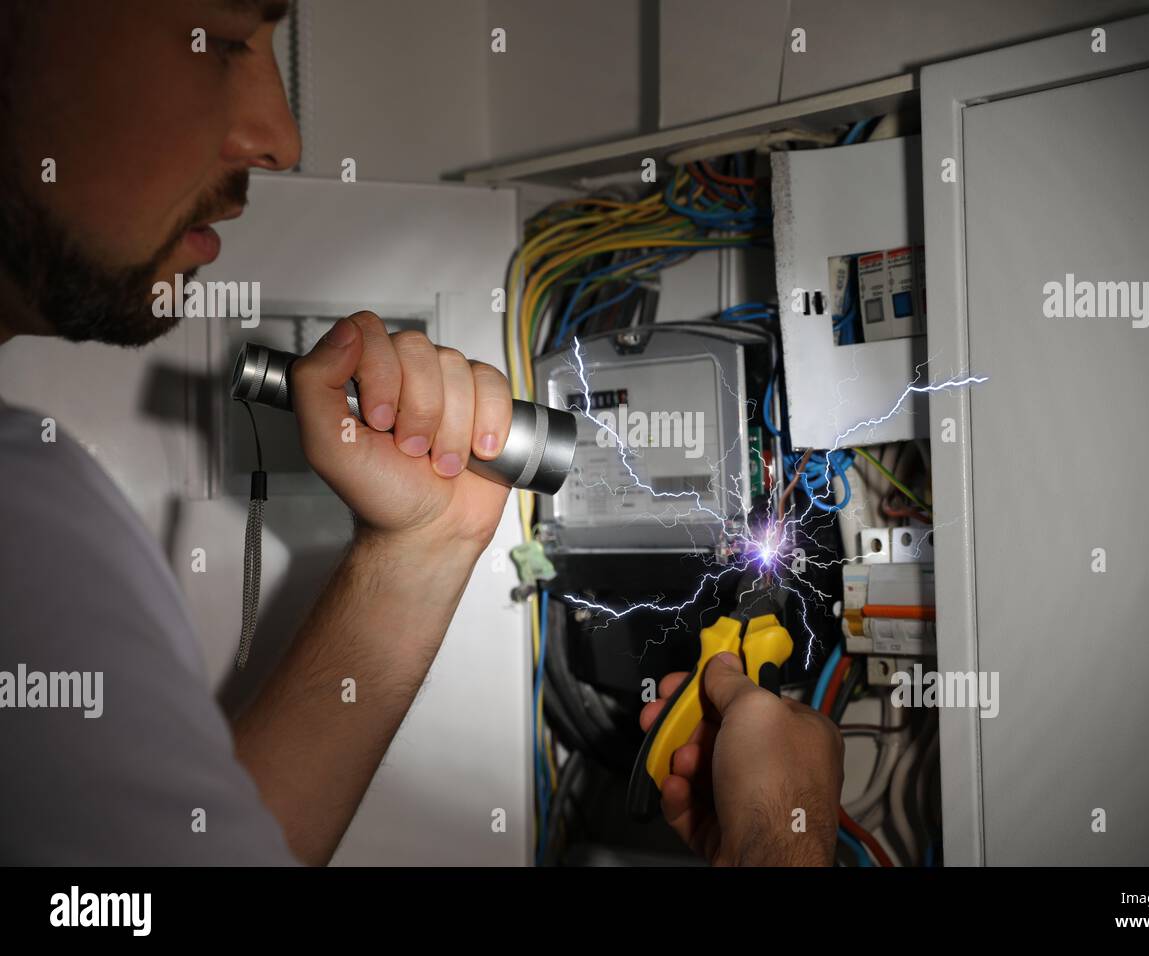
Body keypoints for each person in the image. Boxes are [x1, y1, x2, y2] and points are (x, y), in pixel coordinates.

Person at [0, 0, 843, 866]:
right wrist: (780, 832)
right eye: (218, 40)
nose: (279, 138)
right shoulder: (25, 513)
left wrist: (423, 544)